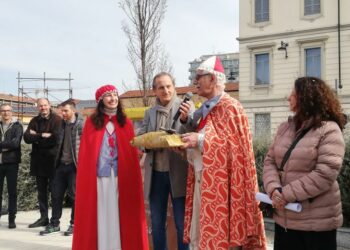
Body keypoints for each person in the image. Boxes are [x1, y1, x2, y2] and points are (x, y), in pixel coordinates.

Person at [180, 56, 266, 249]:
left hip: (224, 186)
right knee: (200, 235)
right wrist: (187, 130)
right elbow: (206, 136)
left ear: (213, 79)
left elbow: (235, 149)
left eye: (199, 76)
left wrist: (200, 140)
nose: (195, 81)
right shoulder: (205, 109)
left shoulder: (232, 108)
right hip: (203, 179)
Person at [263, 76, 346, 250]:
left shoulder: (329, 130)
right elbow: (270, 161)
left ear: (306, 98)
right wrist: (274, 189)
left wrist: (284, 194)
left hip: (316, 226)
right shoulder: (284, 128)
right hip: (284, 221)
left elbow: (325, 173)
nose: (289, 98)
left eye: (293, 94)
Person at [73, 84, 148, 250]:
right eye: (108, 95)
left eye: (115, 95)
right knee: (101, 212)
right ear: (101, 100)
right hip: (100, 177)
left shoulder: (126, 123)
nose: (113, 98)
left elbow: (130, 151)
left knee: (120, 213)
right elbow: (87, 153)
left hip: (122, 177)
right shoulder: (91, 123)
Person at [137, 72, 193, 250]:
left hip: (179, 174)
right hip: (156, 175)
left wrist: (186, 119)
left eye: (168, 86)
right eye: (161, 87)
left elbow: (195, 131)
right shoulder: (149, 113)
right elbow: (141, 138)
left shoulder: (186, 106)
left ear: (174, 87)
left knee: (181, 223)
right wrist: (152, 142)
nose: (166, 90)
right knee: (157, 222)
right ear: (154, 90)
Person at [39, 100, 84, 236]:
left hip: (74, 167)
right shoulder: (62, 124)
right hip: (60, 166)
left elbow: (87, 146)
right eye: (61, 111)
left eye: (65, 111)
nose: (62, 113)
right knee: (56, 195)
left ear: (73, 111)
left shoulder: (81, 125)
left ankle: (74, 224)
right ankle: (54, 224)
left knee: (74, 197)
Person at [23, 98, 62, 228]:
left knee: (55, 193)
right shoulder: (34, 120)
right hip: (38, 161)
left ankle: (54, 220)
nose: (43, 108)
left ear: (49, 105)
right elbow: (27, 138)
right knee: (41, 193)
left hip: (53, 162)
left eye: (45, 105)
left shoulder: (57, 120)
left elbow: (55, 139)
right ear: (37, 107)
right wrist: (42, 135)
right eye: (40, 106)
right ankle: (43, 218)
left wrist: (37, 136)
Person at [0, 104, 23, 229]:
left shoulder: (17, 126)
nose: (6, 113)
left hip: (11, 163)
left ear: (12, 112)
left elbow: (15, 144)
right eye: (3, 111)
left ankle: (11, 219)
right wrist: (5, 145)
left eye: (8, 111)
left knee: (12, 192)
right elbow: (10, 144)